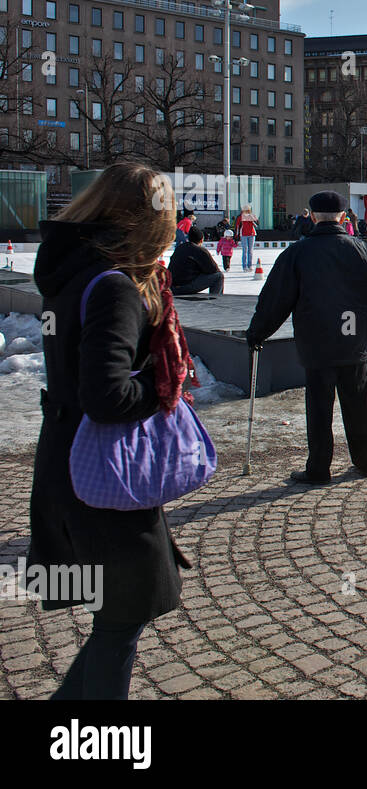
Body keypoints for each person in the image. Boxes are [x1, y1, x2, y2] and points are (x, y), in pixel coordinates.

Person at [28, 162, 192, 699]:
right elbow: (107, 394)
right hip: (102, 479)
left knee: (115, 623)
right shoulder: (116, 288)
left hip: (67, 463)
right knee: (120, 622)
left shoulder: (72, 268)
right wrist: (164, 383)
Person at [245, 190, 367, 485]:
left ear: (311, 216)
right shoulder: (363, 251)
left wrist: (257, 333)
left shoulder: (297, 253)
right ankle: (366, 460)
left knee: (319, 406)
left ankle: (319, 468)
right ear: (343, 217)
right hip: (354, 343)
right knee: (358, 402)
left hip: (317, 343)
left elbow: (276, 300)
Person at [170, 228, 224, 295]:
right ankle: (215, 300)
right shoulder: (200, 250)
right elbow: (213, 270)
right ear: (201, 240)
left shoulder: (180, 248)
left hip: (173, 287)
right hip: (186, 286)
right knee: (219, 276)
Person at [236, 204, 258, 271]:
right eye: (245, 210)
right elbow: (237, 226)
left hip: (252, 234)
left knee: (250, 251)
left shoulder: (252, 216)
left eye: (248, 210)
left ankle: (250, 265)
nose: (246, 211)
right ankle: (244, 266)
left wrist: (253, 220)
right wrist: (236, 236)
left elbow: (257, 224)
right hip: (243, 235)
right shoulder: (240, 217)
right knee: (245, 250)